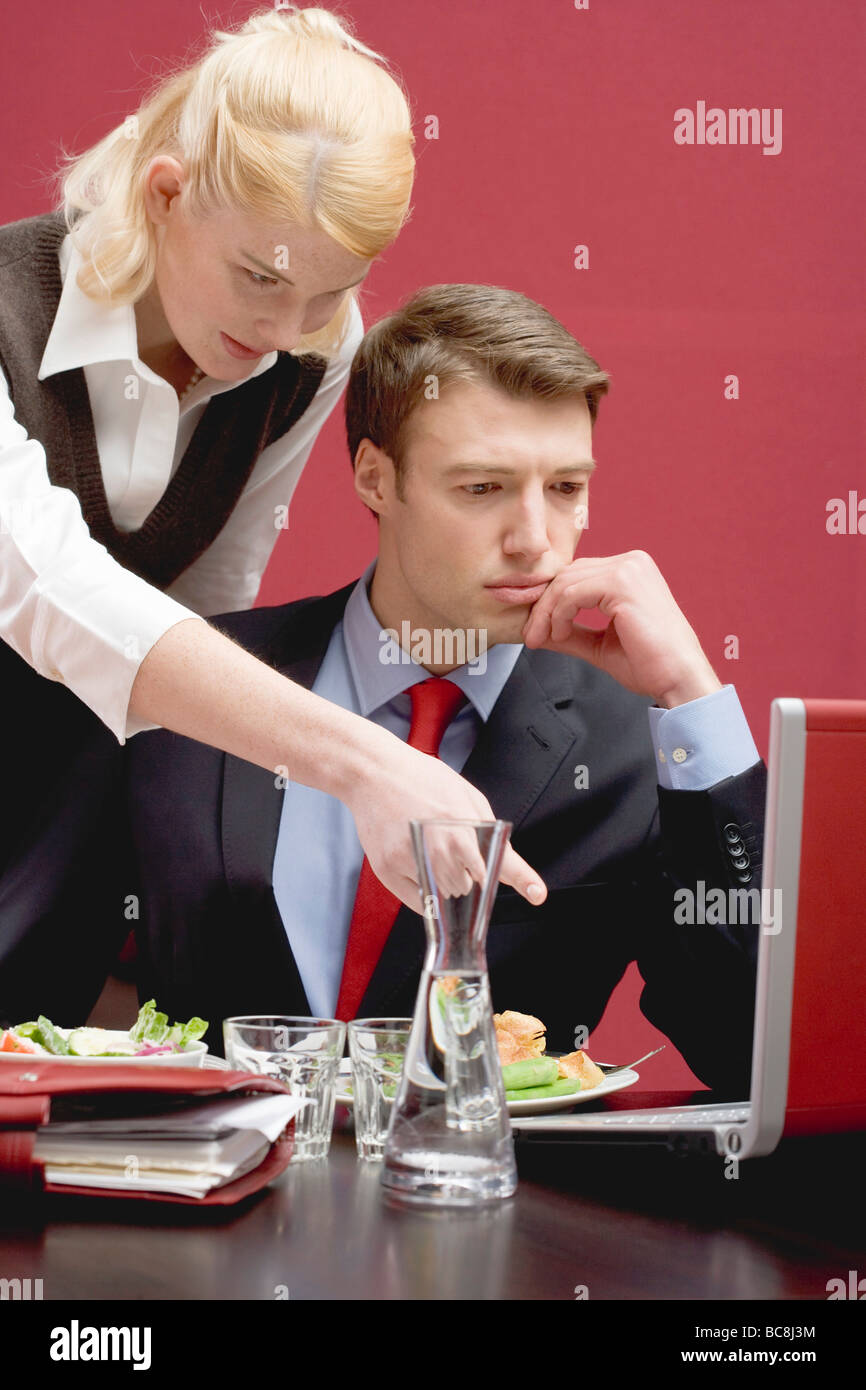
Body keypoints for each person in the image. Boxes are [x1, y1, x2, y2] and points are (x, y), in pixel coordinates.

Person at [0, 8, 544, 1025]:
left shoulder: (305, 350)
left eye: (328, 295)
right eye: (259, 278)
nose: (281, 330)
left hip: (52, 825)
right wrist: (363, 760)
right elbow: (42, 585)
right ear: (166, 194)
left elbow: (208, 615)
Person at [124, 284, 767, 1092]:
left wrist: (694, 697)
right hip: (201, 1207)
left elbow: (750, 1051)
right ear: (374, 479)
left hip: (499, 1209)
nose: (537, 540)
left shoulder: (644, 741)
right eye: (481, 488)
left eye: (566, 488)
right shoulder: (193, 678)